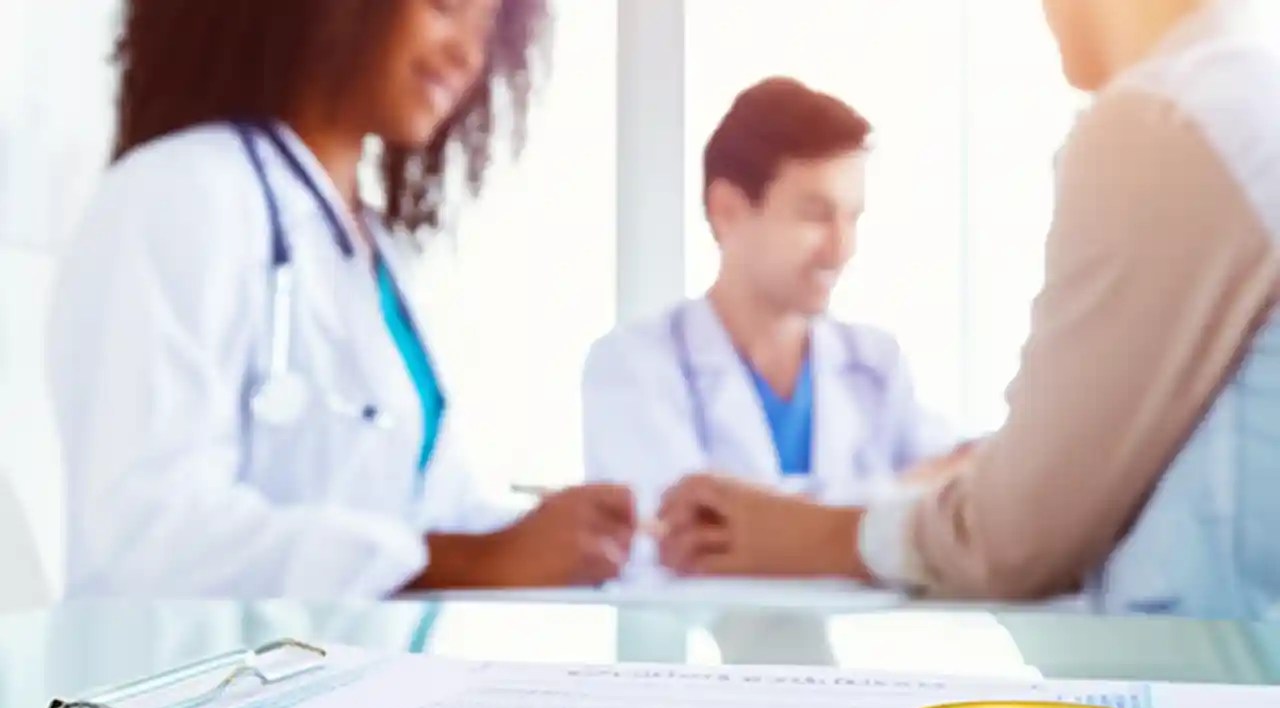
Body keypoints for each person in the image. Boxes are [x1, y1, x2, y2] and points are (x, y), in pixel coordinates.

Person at [657, 0, 1280, 619]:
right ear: (727, 211)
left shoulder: (1169, 118)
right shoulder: (1241, 102)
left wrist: (808, 534)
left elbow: (1015, 533)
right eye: (816, 213)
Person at [47, 0, 636, 599]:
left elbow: (430, 508)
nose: (467, 55)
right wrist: (460, 562)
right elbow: (144, 538)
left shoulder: (378, 257)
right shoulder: (178, 193)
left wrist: (576, 539)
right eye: (446, 8)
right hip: (190, 682)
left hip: (354, 678)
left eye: (486, 32)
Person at [582, 78, 955, 523]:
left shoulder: (875, 364)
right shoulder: (632, 366)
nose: (841, 249)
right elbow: (688, 537)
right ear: (727, 211)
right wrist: (898, 498)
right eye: (815, 215)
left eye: (852, 217)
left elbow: (962, 488)